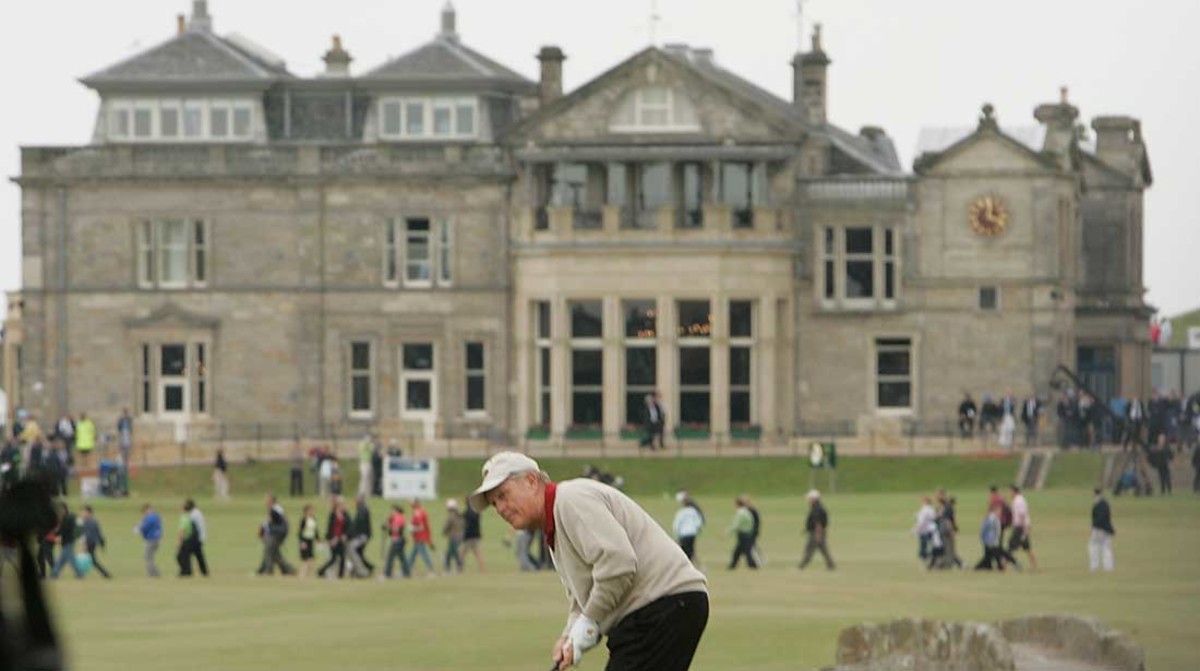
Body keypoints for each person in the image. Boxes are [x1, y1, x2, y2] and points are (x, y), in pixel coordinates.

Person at [468, 451, 708, 671]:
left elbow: (619, 564)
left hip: (662, 606)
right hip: (661, 610)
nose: (500, 508)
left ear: (531, 481)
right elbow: (584, 597)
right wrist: (571, 636)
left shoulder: (571, 499)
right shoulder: (554, 527)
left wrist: (589, 621)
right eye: (494, 503)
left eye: (503, 495)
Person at [798, 490, 835, 570]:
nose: (808, 500)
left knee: (809, 550)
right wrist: (806, 529)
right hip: (818, 532)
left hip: (816, 532)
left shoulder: (816, 509)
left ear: (814, 499)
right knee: (824, 550)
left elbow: (818, 523)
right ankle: (831, 566)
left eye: (809, 498)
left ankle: (801, 566)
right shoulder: (819, 507)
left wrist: (817, 534)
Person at [259, 494, 294, 576]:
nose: (265, 502)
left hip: (277, 533)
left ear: (271, 501)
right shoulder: (275, 509)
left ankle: (269, 571)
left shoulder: (275, 509)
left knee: (269, 550)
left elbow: (275, 522)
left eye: (266, 500)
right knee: (275, 552)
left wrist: (263, 531)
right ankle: (287, 569)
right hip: (278, 532)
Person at [317, 497, 350, 579]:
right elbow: (330, 527)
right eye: (340, 504)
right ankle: (321, 571)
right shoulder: (332, 514)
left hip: (341, 538)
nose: (342, 506)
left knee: (342, 557)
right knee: (333, 558)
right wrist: (330, 539)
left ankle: (341, 575)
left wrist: (346, 535)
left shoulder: (345, 514)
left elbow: (349, 526)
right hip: (334, 538)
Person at [1008, 485, 1038, 571]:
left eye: (1010, 491)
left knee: (1011, 546)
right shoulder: (1019, 500)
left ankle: (1005, 565)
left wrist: (1024, 528)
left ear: (1014, 491)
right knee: (1027, 547)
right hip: (1022, 526)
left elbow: (1022, 515)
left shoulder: (1018, 501)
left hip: (1020, 527)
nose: (1009, 493)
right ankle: (1034, 565)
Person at [50, 503, 82, 579]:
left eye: (60, 509)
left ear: (64, 509)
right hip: (68, 541)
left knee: (71, 560)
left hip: (68, 541)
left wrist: (55, 533)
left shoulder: (67, 518)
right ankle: (55, 574)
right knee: (61, 560)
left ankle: (80, 574)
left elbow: (63, 530)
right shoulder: (70, 517)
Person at [79, 505, 112, 579]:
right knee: (90, 560)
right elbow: (99, 534)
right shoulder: (93, 521)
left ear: (88, 512)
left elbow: (88, 534)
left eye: (84, 512)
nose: (82, 513)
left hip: (90, 543)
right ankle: (105, 574)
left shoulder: (88, 522)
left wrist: (85, 544)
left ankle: (105, 574)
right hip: (93, 542)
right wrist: (102, 544)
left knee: (91, 560)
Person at [672, 491, 704, 564]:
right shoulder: (693, 511)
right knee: (690, 549)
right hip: (692, 533)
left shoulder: (681, 512)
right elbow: (698, 522)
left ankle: (686, 564)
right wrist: (698, 530)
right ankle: (690, 563)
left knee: (684, 550)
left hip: (684, 533)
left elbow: (676, 524)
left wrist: (676, 535)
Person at [407, 499, 437, 576]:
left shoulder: (417, 512)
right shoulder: (420, 511)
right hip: (420, 537)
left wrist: (412, 528)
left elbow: (421, 527)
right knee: (413, 554)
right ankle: (406, 568)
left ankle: (431, 569)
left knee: (424, 554)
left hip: (420, 536)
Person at [727, 496, 757, 570]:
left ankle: (752, 566)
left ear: (737, 504)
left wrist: (727, 532)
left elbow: (736, 525)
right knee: (739, 551)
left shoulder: (740, 513)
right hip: (748, 534)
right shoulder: (746, 511)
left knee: (746, 552)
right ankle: (732, 566)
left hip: (744, 535)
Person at [1089, 488, 1115, 572]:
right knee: (1106, 548)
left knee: (1094, 547)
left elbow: (1100, 518)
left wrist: (1096, 527)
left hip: (1099, 529)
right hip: (1106, 529)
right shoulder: (1105, 504)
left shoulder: (1098, 505)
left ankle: (1094, 566)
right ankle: (1108, 567)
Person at [349, 494, 375, 577]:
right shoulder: (362, 509)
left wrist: (353, 533)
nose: (355, 501)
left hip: (362, 535)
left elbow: (359, 523)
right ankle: (362, 569)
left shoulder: (362, 510)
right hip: (364, 535)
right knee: (359, 553)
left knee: (354, 550)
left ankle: (364, 569)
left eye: (356, 499)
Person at [974, 504, 1004, 571]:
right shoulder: (991, 519)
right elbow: (985, 529)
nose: (1000, 512)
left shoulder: (994, 518)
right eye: (998, 511)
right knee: (994, 555)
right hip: (990, 541)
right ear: (994, 511)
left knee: (988, 558)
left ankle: (979, 567)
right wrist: (988, 539)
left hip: (991, 541)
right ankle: (1000, 567)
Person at [383, 504, 410, 579]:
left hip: (397, 540)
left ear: (396, 511)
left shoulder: (397, 518)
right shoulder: (401, 517)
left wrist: (389, 525)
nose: (391, 512)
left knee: (390, 557)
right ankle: (407, 572)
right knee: (402, 557)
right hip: (400, 539)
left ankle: (387, 573)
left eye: (393, 511)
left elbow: (396, 529)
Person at [136, 503, 162, 577]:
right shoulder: (156, 516)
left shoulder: (150, 518)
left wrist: (138, 529)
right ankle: (154, 572)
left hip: (151, 539)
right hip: (156, 539)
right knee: (150, 557)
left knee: (148, 557)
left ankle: (153, 573)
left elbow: (144, 527)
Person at [461, 500, 485, 572]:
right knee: (479, 554)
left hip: (468, 537)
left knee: (462, 554)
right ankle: (483, 570)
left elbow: (463, 523)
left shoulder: (466, 513)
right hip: (476, 536)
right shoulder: (477, 513)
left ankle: (459, 569)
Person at [186, 499, 209, 577]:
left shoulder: (193, 514)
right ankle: (204, 572)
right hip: (201, 537)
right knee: (199, 555)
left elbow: (193, 528)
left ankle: (187, 571)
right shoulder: (198, 512)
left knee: (186, 553)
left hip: (196, 538)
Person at [442, 499, 465, 574]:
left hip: (453, 537)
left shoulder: (451, 516)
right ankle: (456, 566)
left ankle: (450, 568)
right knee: (452, 552)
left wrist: (444, 532)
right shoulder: (459, 515)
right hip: (459, 537)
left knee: (452, 552)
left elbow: (446, 526)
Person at [297, 504, 320, 578]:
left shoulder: (313, 519)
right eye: (310, 510)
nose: (312, 512)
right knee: (306, 559)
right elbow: (300, 532)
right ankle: (302, 575)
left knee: (311, 559)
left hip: (310, 540)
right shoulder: (304, 520)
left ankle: (306, 574)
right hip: (305, 540)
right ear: (306, 511)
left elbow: (315, 531)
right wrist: (302, 542)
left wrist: (318, 539)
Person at [175, 501, 196, 577]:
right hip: (190, 539)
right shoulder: (188, 517)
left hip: (186, 540)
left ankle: (185, 571)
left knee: (180, 556)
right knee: (186, 556)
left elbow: (182, 531)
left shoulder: (183, 518)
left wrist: (179, 541)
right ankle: (188, 571)